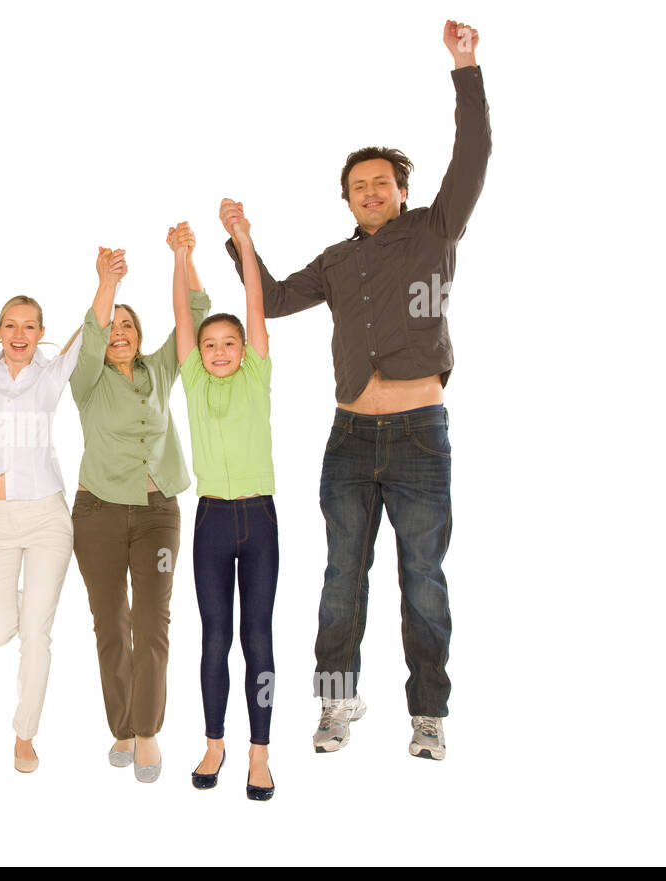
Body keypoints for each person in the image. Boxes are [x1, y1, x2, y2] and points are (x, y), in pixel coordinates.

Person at [221, 20, 489, 761]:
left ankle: (427, 715)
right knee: (342, 575)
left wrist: (464, 66)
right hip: (347, 438)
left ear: (400, 192)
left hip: (418, 437)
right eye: (358, 187)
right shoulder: (337, 261)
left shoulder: (436, 230)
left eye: (382, 183)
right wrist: (243, 241)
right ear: (347, 200)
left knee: (423, 579)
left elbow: (474, 156)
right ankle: (337, 704)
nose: (370, 192)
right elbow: (269, 300)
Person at [0, 248, 124, 772]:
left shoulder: (52, 376)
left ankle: (25, 734)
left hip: (46, 519)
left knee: (37, 633)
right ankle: (28, 596)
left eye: (29, 327)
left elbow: (92, 328)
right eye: (10, 325)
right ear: (0, 330)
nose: (18, 334)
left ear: (39, 333)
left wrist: (105, 281)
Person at [69, 247, 189, 784]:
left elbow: (195, 317)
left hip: (157, 513)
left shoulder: (160, 371)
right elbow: (92, 333)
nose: (119, 331)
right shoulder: (86, 379)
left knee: (152, 621)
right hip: (97, 512)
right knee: (111, 623)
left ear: (140, 333)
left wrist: (182, 258)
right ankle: (121, 724)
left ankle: (147, 729)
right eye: (113, 324)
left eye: (128, 324)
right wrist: (106, 283)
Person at [170, 218, 277, 799]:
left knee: (257, 638)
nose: (216, 351)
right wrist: (180, 257)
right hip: (211, 520)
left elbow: (254, 299)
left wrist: (243, 239)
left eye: (228, 342)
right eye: (209, 345)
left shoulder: (256, 374)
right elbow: (184, 317)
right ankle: (215, 742)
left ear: (245, 348)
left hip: (259, 519)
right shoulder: (193, 381)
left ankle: (260, 752)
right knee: (216, 638)